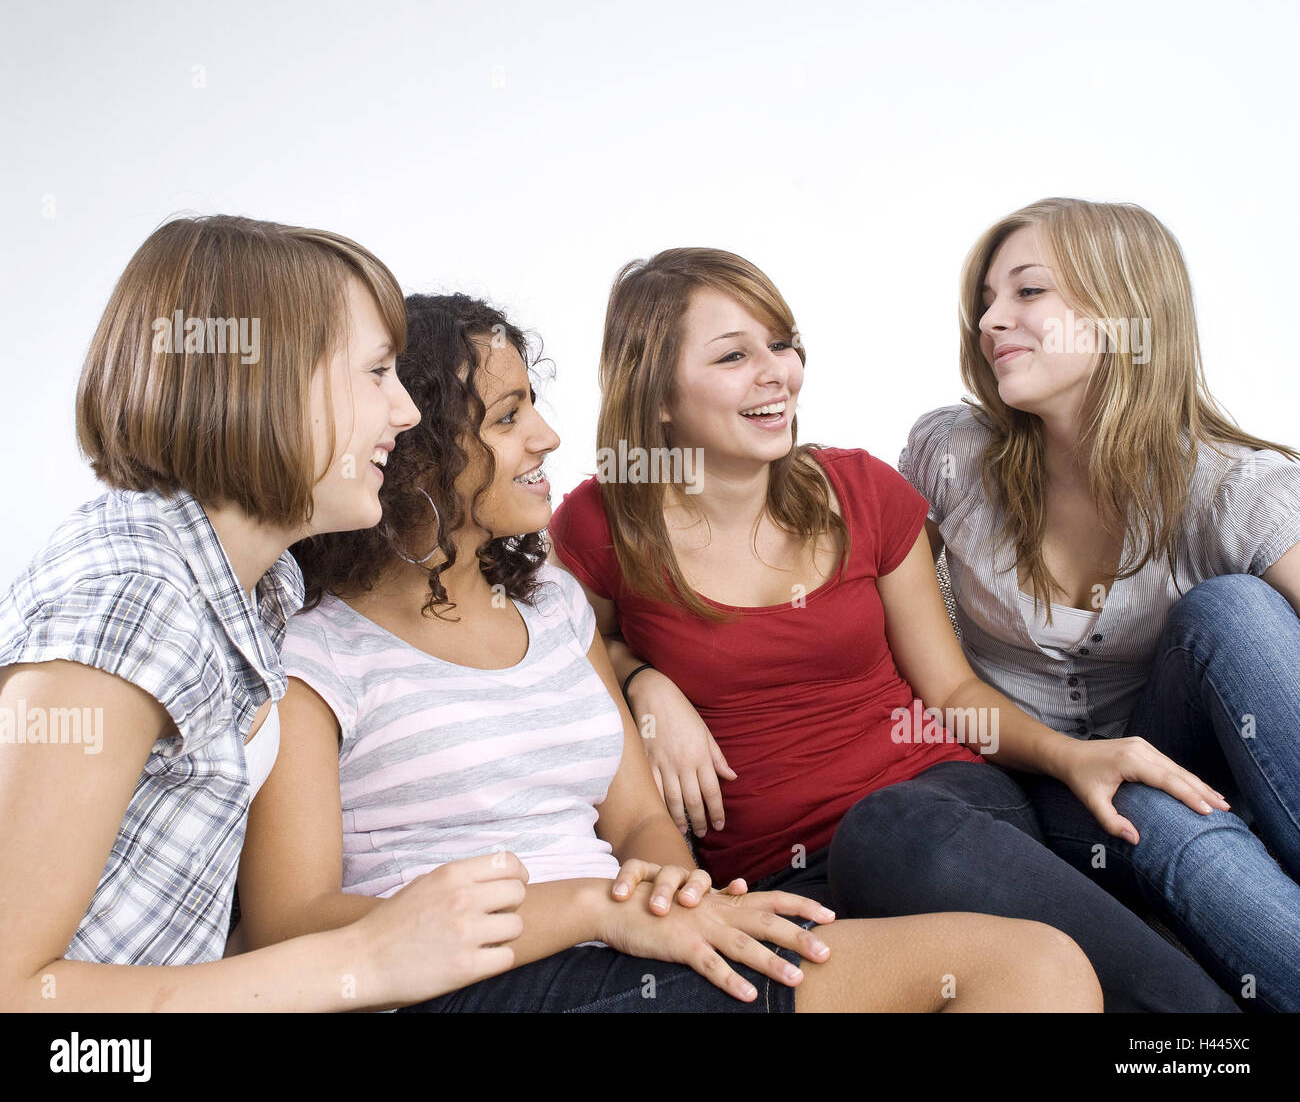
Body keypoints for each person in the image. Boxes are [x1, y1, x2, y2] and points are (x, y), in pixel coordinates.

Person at [235, 291, 1102, 1013]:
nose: (545, 437)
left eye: (533, 403)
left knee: (1032, 969)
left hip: (626, 947)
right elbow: (288, 921)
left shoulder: (554, 605)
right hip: (477, 983)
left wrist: (686, 905)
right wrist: (591, 911)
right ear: (412, 453)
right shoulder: (312, 651)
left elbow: (642, 820)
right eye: (507, 417)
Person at [547, 246, 1238, 1013]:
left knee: (887, 823)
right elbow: (560, 647)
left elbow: (950, 688)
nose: (776, 372)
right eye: (734, 355)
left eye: (781, 343)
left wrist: (1070, 757)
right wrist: (646, 681)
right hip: (784, 881)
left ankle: (1204, 1037)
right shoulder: (600, 525)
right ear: (658, 394)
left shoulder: (862, 488)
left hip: (942, 814)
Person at [0, 216, 531, 1011]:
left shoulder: (256, 579)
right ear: (269, 383)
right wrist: (370, 958)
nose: (407, 413)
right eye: (377, 372)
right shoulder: (132, 596)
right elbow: (12, 991)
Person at [898, 196, 1300, 1012]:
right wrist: (646, 674)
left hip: (1190, 749)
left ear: (1122, 313)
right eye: (986, 300)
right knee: (1150, 805)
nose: (991, 320)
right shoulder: (952, 455)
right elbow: (847, 599)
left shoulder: (1233, 486)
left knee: (1233, 610)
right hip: (1040, 781)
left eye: (1027, 292)